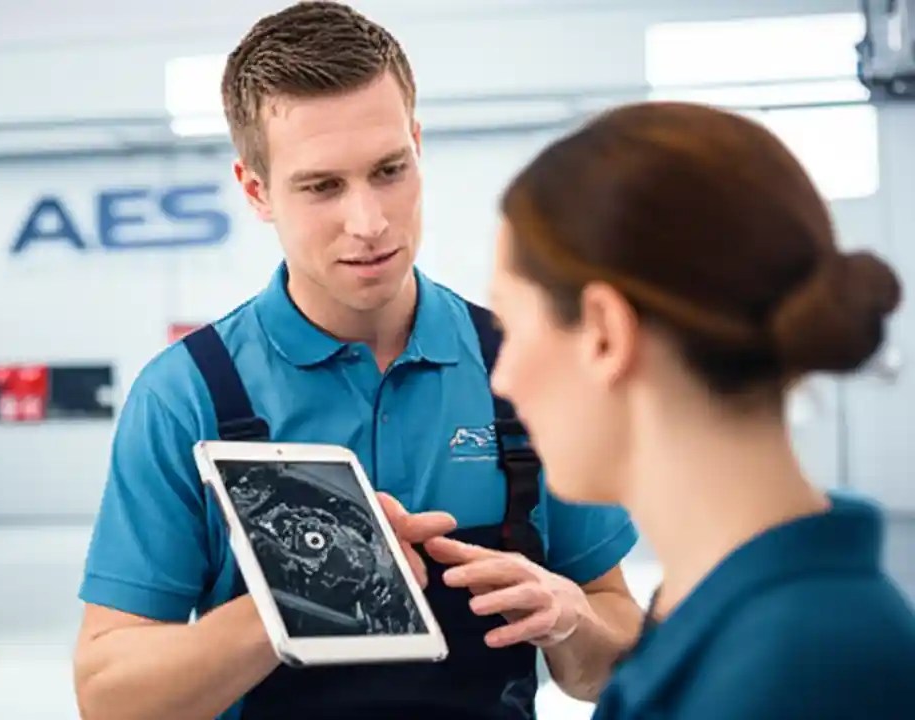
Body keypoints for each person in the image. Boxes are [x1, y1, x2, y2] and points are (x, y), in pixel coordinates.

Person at [72, 3, 646, 719]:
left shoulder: (529, 369)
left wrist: (571, 616)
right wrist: (291, 604)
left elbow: (615, 653)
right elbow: (108, 697)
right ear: (257, 190)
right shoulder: (185, 396)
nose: (369, 222)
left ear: (417, 144)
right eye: (322, 186)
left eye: (388, 170)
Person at [425, 100, 915, 719]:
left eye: (513, 325)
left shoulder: (802, 673)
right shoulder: (721, 620)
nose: (504, 374)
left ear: (604, 333)